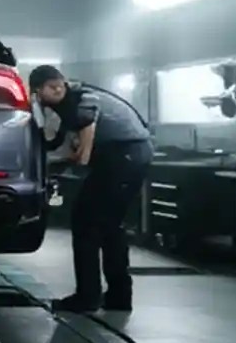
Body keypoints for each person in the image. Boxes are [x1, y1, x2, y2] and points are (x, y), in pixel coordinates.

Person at [28, 65, 153, 313]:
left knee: (86, 223)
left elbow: (86, 127)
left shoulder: (83, 97)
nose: (57, 90)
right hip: (128, 156)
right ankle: (119, 297)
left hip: (125, 155)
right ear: (37, 91)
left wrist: (80, 159)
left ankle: (87, 297)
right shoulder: (64, 105)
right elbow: (57, 143)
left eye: (58, 85)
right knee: (110, 227)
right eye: (50, 88)